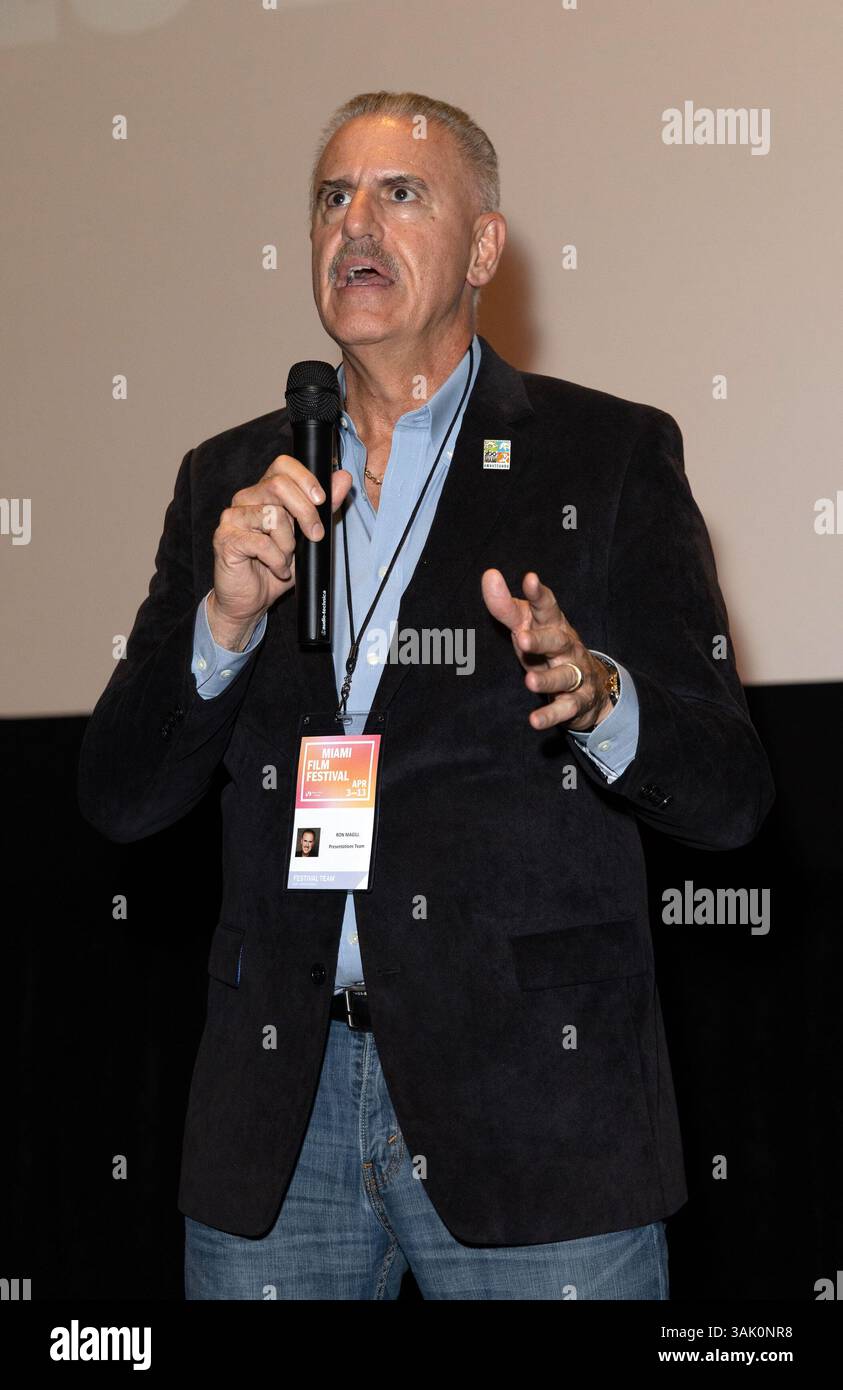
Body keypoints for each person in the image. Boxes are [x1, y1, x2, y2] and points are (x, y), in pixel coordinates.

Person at [77, 90, 775, 1300]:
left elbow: (731, 796)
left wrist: (600, 694)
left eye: (401, 193)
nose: (357, 223)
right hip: (278, 1115)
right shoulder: (230, 480)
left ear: (485, 248)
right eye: (332, 196)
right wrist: (221, 629)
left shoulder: (604, 458)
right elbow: (121, 798)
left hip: (535, 1110)